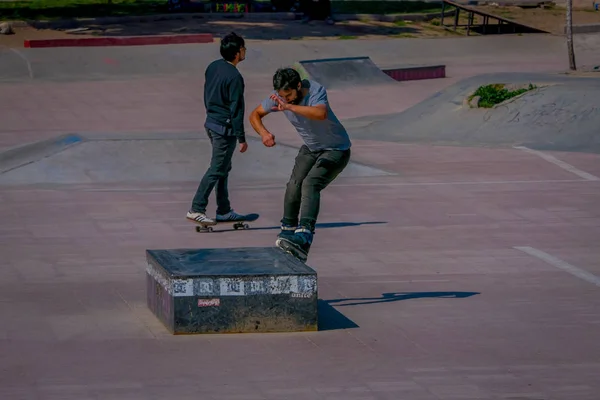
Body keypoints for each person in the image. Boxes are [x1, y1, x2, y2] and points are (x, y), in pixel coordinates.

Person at [249, 67, 351, 260]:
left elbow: (320, 114)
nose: (286, 99)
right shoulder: (277, 98)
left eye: (289, 95)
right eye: (282, 96)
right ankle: (288, 231)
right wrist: (264, 133)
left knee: (310, 183)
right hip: (312, 149)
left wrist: (289, 107)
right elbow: (255, 115)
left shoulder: (315, 90)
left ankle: (304, 235)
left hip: (337, 150)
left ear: (298, 86)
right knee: (293, 185)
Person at [187, 32, 250, 226]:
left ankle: (224, 210)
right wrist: (242, 138)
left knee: (224, 167)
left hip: (211, 122)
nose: (245, 51)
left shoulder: (213, 67)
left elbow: (208, 93)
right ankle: (196, 208)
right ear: (238, 52)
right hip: (224, 129)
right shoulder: (235, 77)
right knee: (216, 168)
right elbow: (237, 110)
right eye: (243, 48)